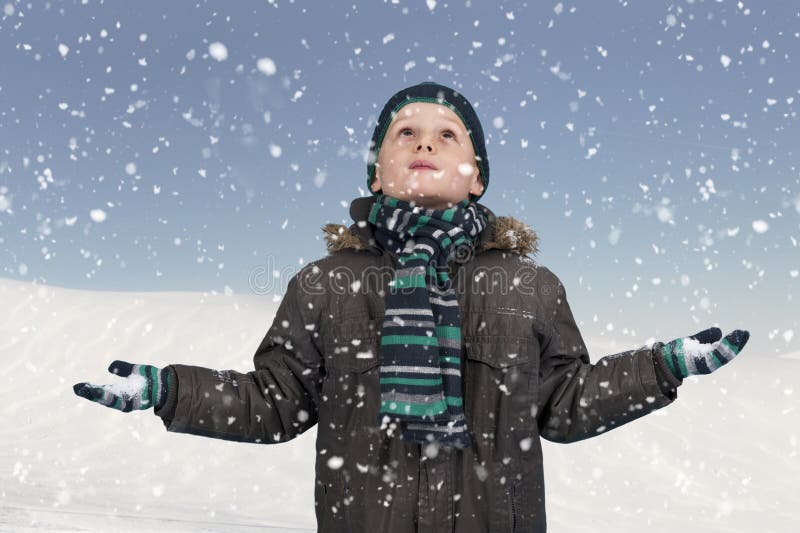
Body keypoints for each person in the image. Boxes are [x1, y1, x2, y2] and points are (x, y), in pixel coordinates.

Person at [73, 82, 750, 532]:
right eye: (405, 133)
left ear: (477, 173)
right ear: (376, 171)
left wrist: (665, 366)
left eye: (447, 134)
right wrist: (165, 390)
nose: (424, 143)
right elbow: (273, 403)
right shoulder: (325, 286)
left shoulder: (529, 287)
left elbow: (563, 404)